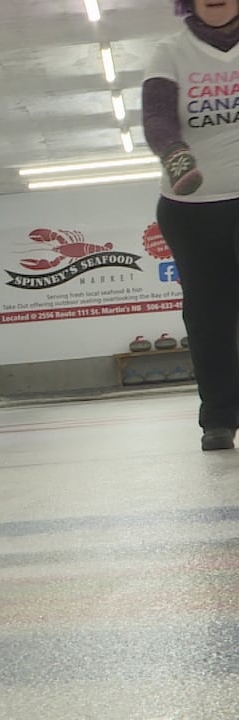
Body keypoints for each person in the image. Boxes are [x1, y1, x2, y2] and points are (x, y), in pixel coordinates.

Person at [142, 0, 239, 451]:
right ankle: (218, 417)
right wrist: (175, 154)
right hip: (191, 205)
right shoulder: (169, 52)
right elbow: (158, 117)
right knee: (208, 315)